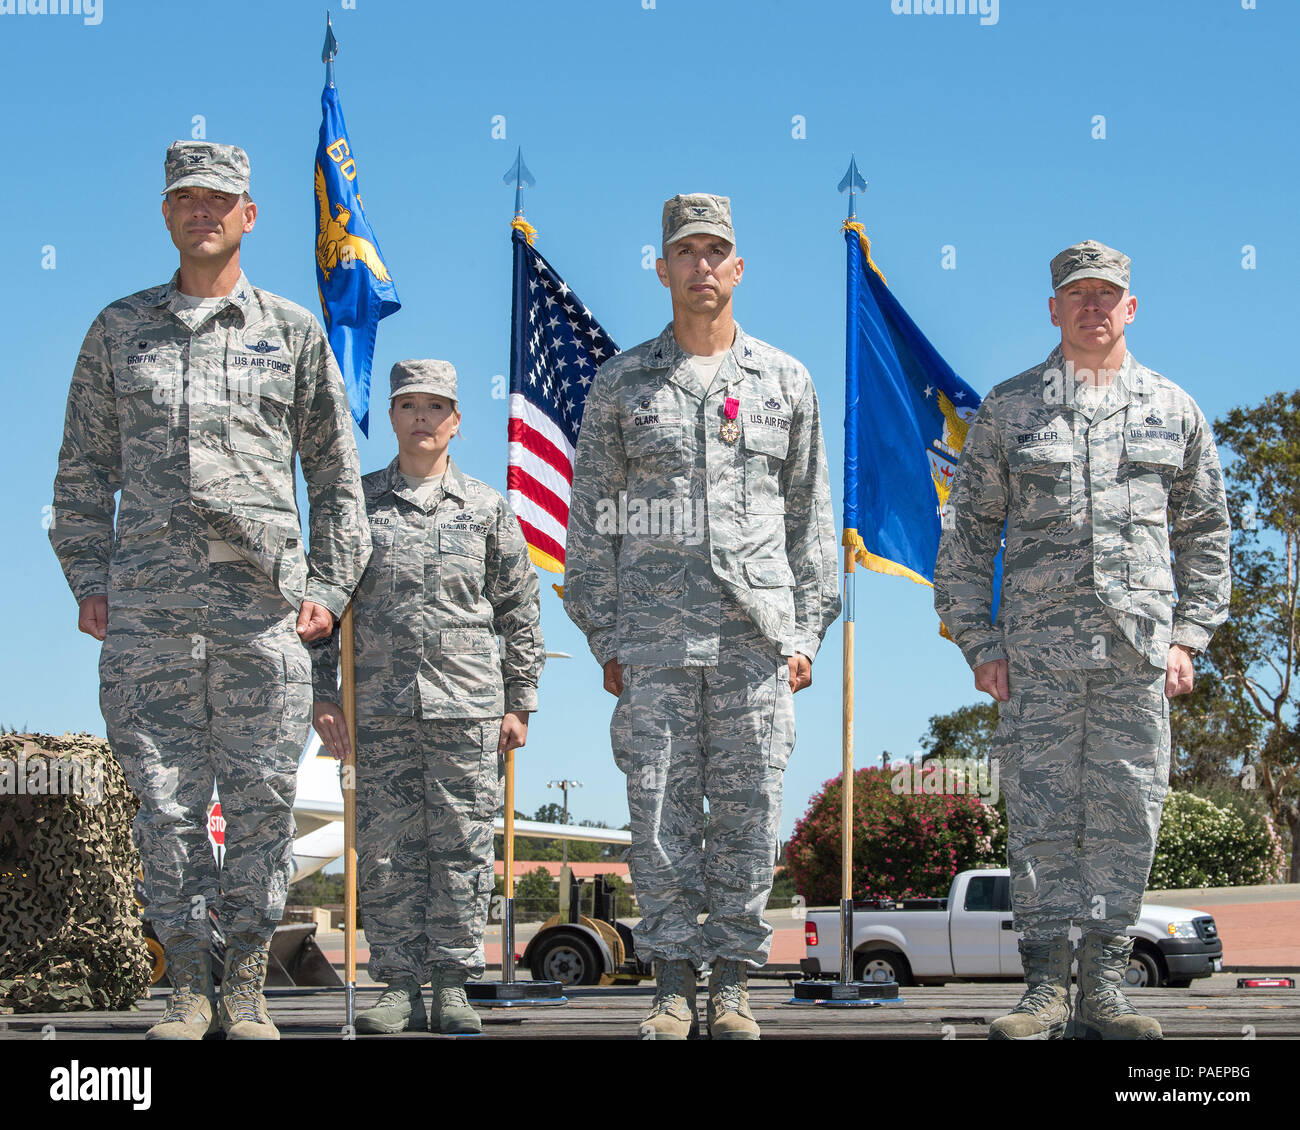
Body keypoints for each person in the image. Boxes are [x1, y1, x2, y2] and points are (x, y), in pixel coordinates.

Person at [48, 141, 371, 1040]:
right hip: (147, 610)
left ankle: (246, 987)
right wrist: (88, 575)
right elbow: (80, 470)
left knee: (263, 798)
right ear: (165, 214)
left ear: (249, 215)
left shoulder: (293, 332)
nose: (203, 212)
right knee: (163, 800)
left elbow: (336, 476)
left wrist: (331, 587)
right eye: (186, 199)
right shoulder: (119, 331)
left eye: (220, 199)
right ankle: (187, 982)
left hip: (263, 612)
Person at [933, 240, 1231, 1040]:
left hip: (1137, 658)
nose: (1094, 307)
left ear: (1130, 308)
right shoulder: (1009, 410)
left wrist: (1189, 637)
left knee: (1127, 813)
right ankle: (1042, 991)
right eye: (1079, 295)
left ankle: (1104, 987)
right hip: (1037, 661)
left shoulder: (1174, 410)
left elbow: (1206, 533)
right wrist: (979, 642)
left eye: (1108, 295)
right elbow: (965, 541)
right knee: (1039, 817)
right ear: (1054, 309)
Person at [563, 194, 840, 1040]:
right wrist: (606, 636)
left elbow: (810, 521)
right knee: (657, 814)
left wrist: (805, 635)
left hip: (756, 641)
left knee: (752, 812)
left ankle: (732, 986)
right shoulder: (622, 384)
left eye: (716, 250)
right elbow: (591, 524)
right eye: (686, 251)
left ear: (739, 267)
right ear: (662, 268)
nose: (702, 266)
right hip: (652, 638)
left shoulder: (785, 381)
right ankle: (674, 984)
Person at [311, 359, 544, 1035]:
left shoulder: (486, 510)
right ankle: (399, 985)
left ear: (456, 422)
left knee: (463, 848)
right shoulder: (355, 507)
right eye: (409, 405)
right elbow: (323, 604)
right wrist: (323, 697)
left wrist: (518, 700)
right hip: (376, 712)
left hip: (467, 711)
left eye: (436, 406)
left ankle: (451, 984)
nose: (423, 418)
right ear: (391, 417)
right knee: (384, 851)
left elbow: (519, 611)